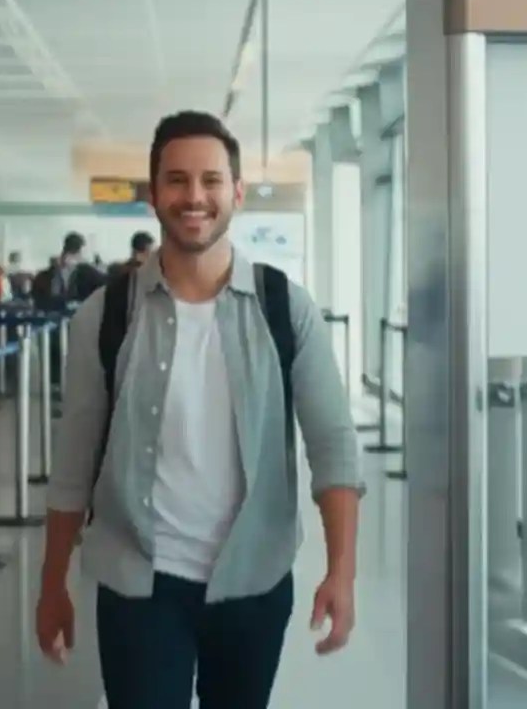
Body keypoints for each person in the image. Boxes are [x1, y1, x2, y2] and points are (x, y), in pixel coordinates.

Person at [36, 110, 363, 709]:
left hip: (253, 583)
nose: (195, 196)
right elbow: (74, 463)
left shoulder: (284, 309)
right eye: (177, 180)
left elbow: (333, 444)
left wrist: (341, 571)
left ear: (236, 192)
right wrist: (52, 581)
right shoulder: (105, 317)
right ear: (154, 194)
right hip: (140, 585)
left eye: (211, 180)